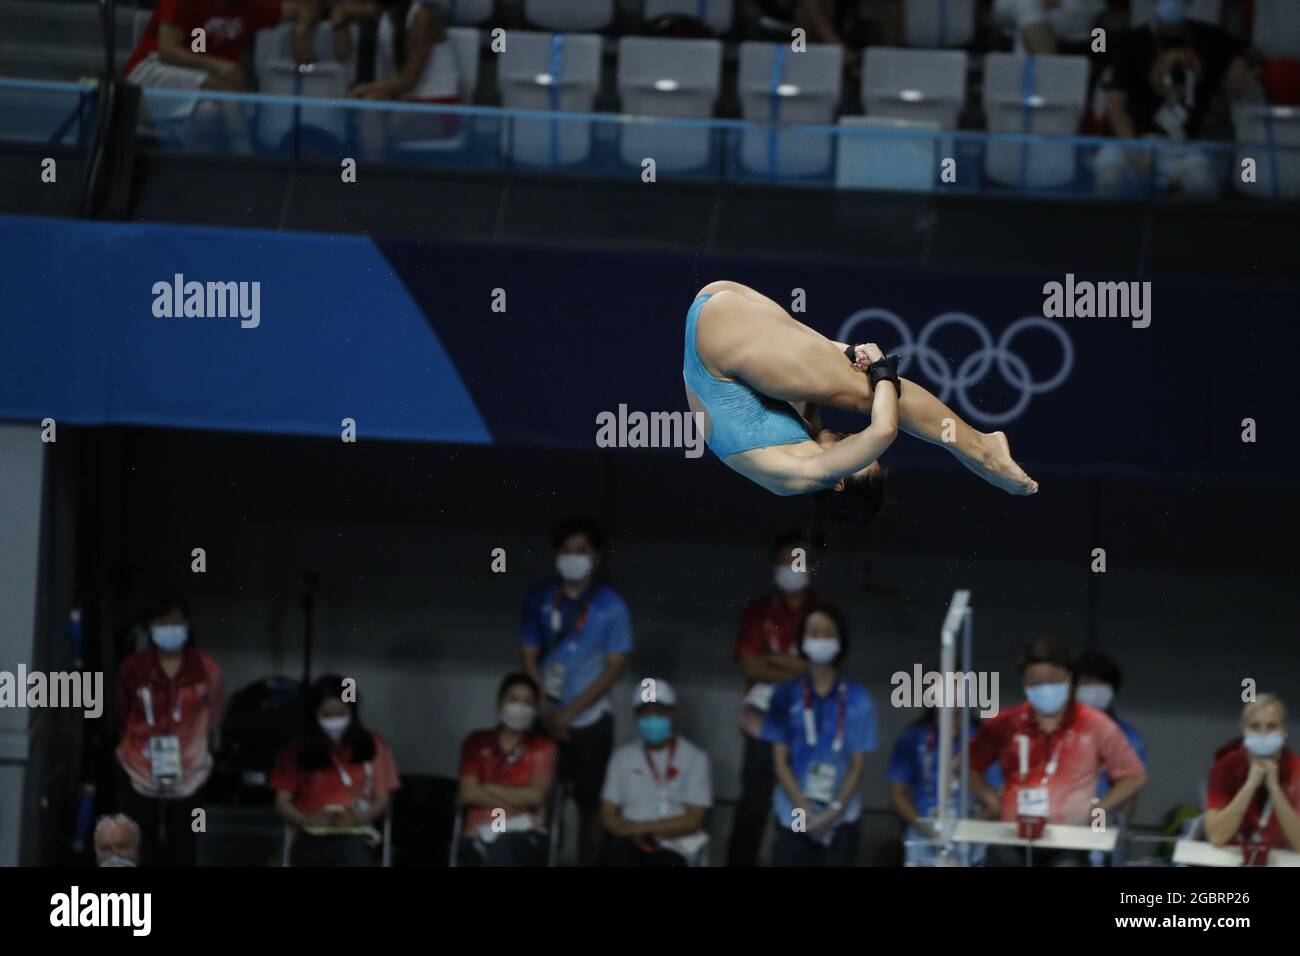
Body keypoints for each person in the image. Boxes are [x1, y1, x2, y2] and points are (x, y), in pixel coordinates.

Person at [682, 281, 1038, 506]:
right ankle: (973, 446)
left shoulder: (802, 473)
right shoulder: (796, 449)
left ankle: (982, 449)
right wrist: (849, 354)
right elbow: (801, 376)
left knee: (871, 395)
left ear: (837, 481)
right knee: (849, 378)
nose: (851, 440)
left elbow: (883, 429)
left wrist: (883, 368)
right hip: (716, 315)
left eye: (854, 455)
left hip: (719, 336)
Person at [968, 639, 1147, 866]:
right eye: (1035, 680)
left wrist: (1099, 810)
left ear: (1069, 681)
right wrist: (990, 799)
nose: (1044, 686)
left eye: (1052, 679)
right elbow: (966, 765)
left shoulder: (1095, 724)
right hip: (1013, 837)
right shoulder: (1004, 723)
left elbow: (1134, 777)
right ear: (1024, 683)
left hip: (1068, 842)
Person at [518, 516, 632, 867]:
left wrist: (568, 713)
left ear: (595, 555)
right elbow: (528, 655)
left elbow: (614, 668)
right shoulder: (540, 599)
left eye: (581, 550)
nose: (573, 556)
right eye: (567, 550)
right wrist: (544, 707)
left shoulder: (611, 604)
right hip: (546, 715)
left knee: (590, 804)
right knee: (542, 799)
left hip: (591, 719)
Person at [726, 529, 819, 867]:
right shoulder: (757, 611)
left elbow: (821, 671)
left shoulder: (822, 613)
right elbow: (750, 665)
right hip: (762, 722)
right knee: (753, 803)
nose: (792, 567)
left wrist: (773, 660)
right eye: (786, 560)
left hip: (807, 724)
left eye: (799, 560)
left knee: (802, 802)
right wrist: (798, 668)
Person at [1097, 0, 1252, 196]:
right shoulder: (1131, 42)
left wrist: (1239, 62)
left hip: (1185, 146)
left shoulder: (1210, 38)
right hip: (1133, 140)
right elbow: (1115, 103)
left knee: (1201, 187)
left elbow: (1243, 53)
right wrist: (1132, 146)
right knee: (1109, 176)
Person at [762, 605, 876, 866]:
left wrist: (833, 812)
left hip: (841, 814)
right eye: (814, 632)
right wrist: (805, 811)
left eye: (827, 632)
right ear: (802, 640)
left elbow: (857, 764)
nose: (820, 638)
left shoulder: (858, 698)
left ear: (840, 641)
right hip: (794, 811)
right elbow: (780, 762)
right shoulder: (784, 694)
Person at [114, 596, 222, 866]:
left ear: (187, 625)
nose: (170, 628)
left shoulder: (206, 668)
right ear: (150, 626)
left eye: (176, 622)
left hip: (189, 767)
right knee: (140, 841)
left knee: (184, 843)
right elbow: (121, 712)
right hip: (139, 764)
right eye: (162, 622)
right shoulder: (132, 668)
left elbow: (213, 716)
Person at [271, 675, 400, 866]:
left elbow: (383, 798)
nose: (335, 721)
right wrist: (306, 819)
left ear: (352, 711)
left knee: (352, 850)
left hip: (357, 833)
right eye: (327, 715)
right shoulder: (296, 749)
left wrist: (357, 818)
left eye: (341, 714)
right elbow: (282, 801)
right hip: (311, 834)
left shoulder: (374, 745)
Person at [600, 680, 713, 867]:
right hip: (628, 842)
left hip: (675, 845)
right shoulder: (622, 757)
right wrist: (627, 832)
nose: (653, 718)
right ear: (636, 715)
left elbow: (693, 819)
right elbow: (608, 813)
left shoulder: (695, 758)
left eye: (659, 711)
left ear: (672, 712)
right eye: (646, 712)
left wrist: (643, 829)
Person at [333, 1, 464, 158]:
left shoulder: (423, 18)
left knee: (376, 113)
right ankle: (372, 174)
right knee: (370, 106)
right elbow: (342, 53)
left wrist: (360, 89)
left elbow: (408, 82)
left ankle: (375, 172)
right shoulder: (384, 13)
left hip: (439, 107)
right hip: (405, 100)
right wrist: (339, 21)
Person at [456, 674, 557, 867]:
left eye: (527, 702)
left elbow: (536, 796)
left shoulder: (543, 748)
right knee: (486, 851)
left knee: (504, 845)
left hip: (524, 832)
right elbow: (467, 792)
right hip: (478, 831)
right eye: (513, 699)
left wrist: (485, 788)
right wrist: (519, 798)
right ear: (499, 703)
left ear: (535, 710)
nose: (519, 707)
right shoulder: (476, 742)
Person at [887, 701, 1002, 866]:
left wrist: (967, 831)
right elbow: (897, 794)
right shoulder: (914, 736)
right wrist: (927, 829)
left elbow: (995, 800)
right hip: (923, 832)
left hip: (969, 833)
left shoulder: (981, 738)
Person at [124, 0, 319, 92]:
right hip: (151, 71)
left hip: (209, 83)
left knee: (213, 107)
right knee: (217, 102)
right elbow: (167, 52)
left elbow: (306, 6)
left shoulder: (251, 5)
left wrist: (302, 28)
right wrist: (218, 65)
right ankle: (244, 156)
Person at [1205, 694, 1300, 854]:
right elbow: (1216, 837)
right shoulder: (1225, 767)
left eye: (1271, 726)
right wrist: (1250, 785)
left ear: (1284, 729)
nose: (1263, 734)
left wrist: (1275, 789)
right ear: (1244, 729)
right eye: (1255, 726)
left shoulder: (1296, 769)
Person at [994, 0, 1106, 54]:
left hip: (1075, 8)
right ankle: (1051, 76)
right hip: (1025, 8)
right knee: (1026, 7)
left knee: (1027, 16)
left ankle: (1045, 76)